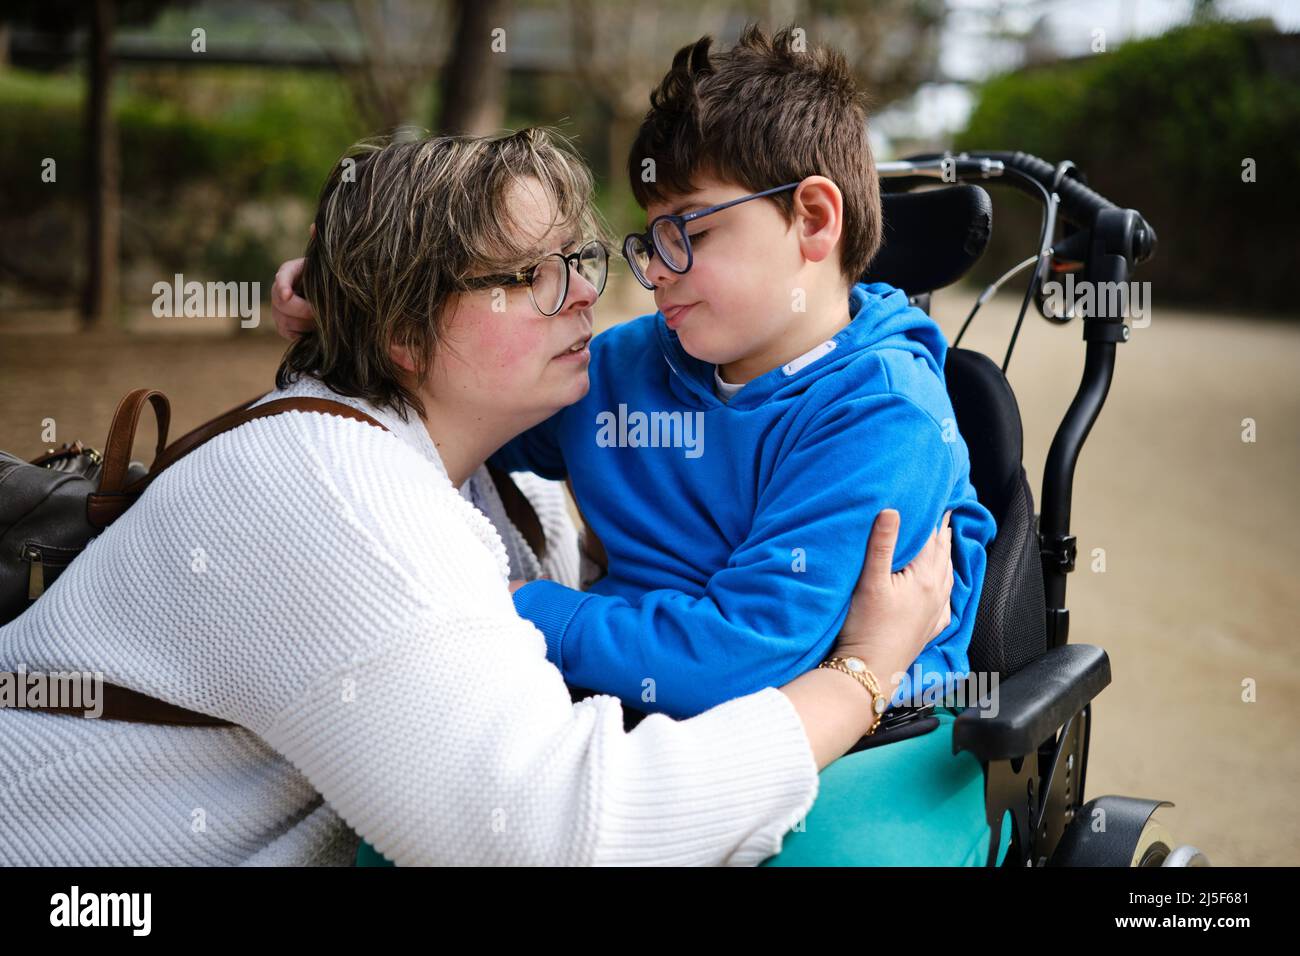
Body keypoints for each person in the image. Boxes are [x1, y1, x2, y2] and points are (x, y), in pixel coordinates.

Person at [0, 128, 954, 867]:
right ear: (406, 332)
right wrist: (861, 673)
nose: (586, 296)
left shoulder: (492, 478)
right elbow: (556, 838)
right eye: (528, 277)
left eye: (579, 262)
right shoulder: (337, 498)